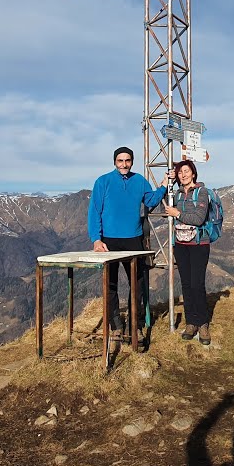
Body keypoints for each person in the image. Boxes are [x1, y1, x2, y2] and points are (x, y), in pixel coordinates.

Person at [88, 146, 169, 345]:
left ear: (132, 161)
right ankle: (116, 326)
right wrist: (96, 239)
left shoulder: (140, 180)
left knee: (138, 283)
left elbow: (150, 200)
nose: (124, 164)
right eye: (120, 161)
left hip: (134, 239)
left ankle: (135, 325)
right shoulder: (103, 181)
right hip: (109, 241)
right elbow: (94, 211)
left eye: (127, 160)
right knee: (111, 283)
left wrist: (164, 186)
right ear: (114, 162)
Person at [163, 159, 215, 345]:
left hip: (199, 244)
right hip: (181, 244)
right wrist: (166, 180)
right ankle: (191, 322)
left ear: (193, 173)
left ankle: (203, 324)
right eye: (179, 172)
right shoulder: (176, 193)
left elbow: (199, 219)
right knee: (186, 284)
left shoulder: (201, 192)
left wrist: (177, 214)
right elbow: (166, 206)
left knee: (197, 284)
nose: (183, 175)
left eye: (186, 171)